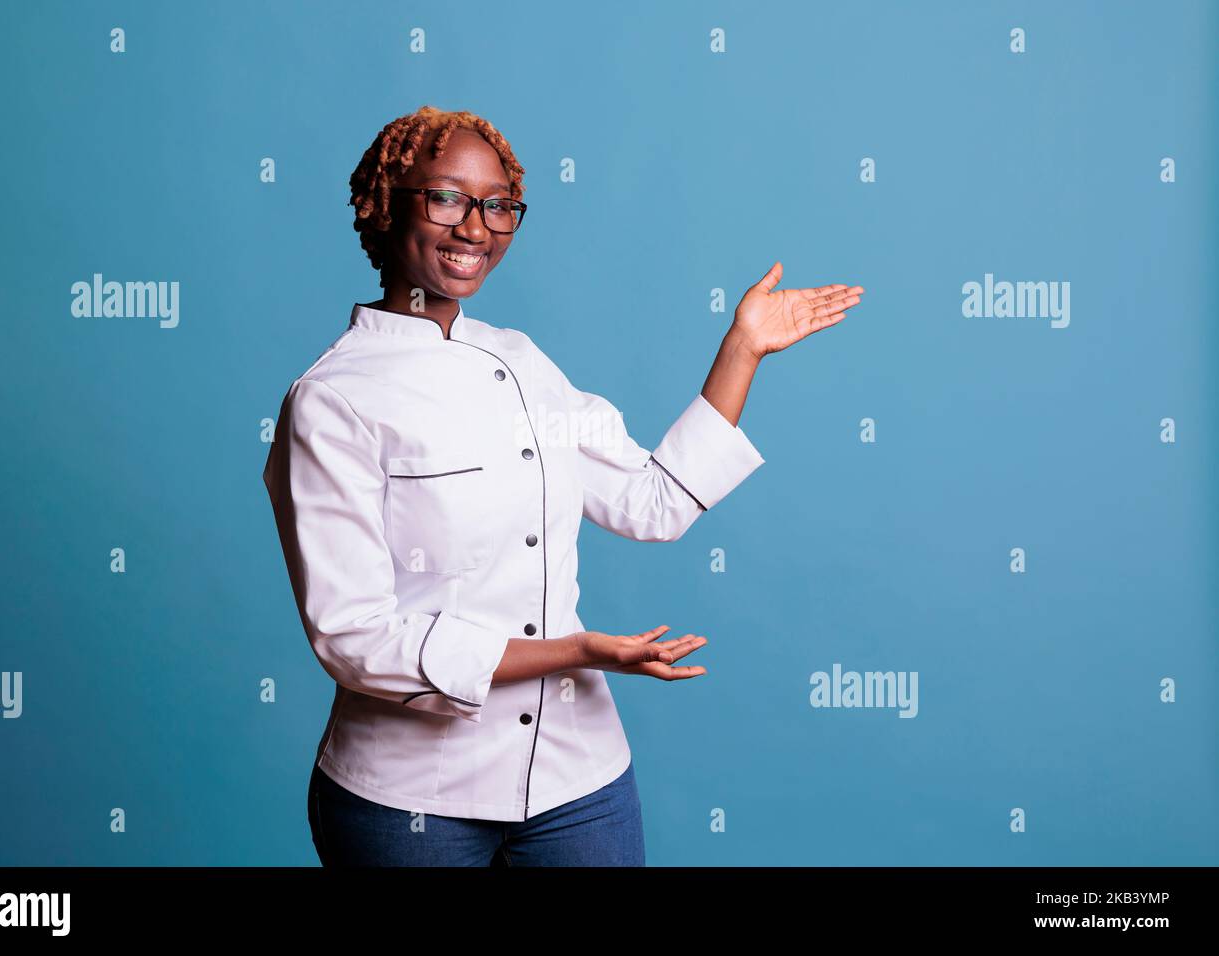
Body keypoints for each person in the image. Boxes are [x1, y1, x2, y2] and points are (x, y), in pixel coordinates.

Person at [262, 105, 864, 867]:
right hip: (409, 800)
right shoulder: (332, 399)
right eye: (446, 198)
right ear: (389, 205)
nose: (475, 229)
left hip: (579, 784)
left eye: (499, 206)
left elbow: (655, 502)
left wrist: (742, 350)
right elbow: (356, 640)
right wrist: (568, 650)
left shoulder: (521, 362)